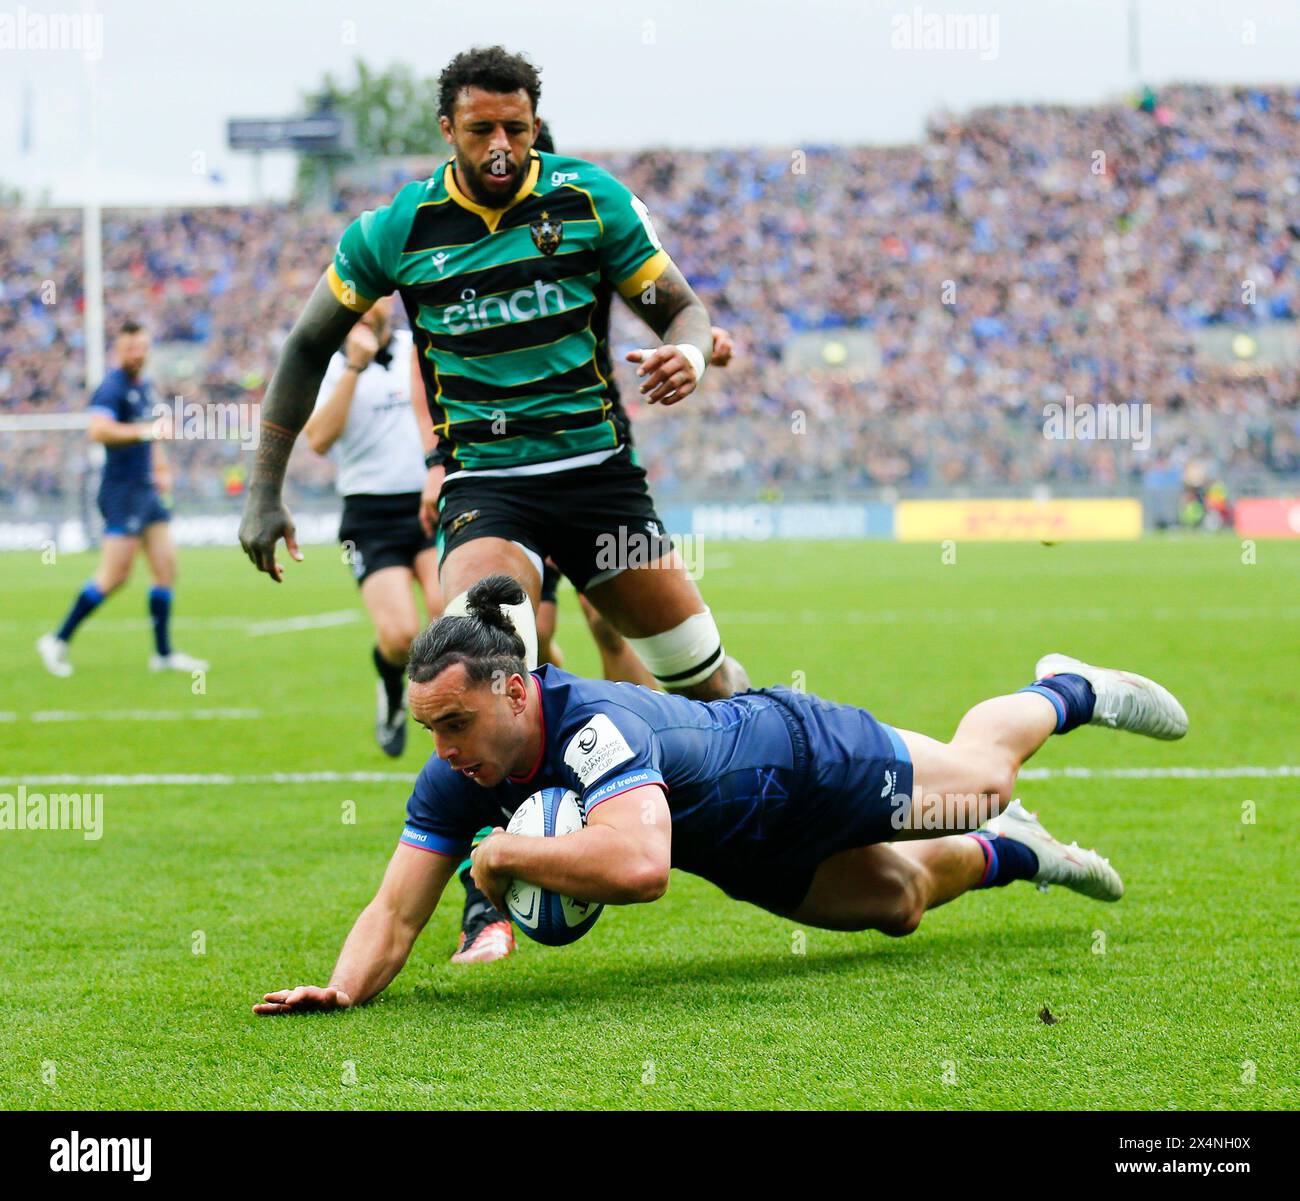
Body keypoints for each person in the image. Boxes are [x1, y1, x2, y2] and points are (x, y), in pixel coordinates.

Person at [252, 576, 1188, 1015]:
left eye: (453, 722)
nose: (443, 748)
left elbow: (641, 865)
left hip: (802, 758)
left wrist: (500, 856)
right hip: (744, 849)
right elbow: (394, 909)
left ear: (512, 690)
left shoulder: (591, 725)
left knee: (981, 781)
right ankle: (1030, 855)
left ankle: (1066, 687)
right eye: (430, 730)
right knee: (898, 903)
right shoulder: (460, 771)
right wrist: (341, 989)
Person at [238, 44, 748, 704]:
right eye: (481, 130)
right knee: (485, 676)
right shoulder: (394, 230)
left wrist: (691, 354)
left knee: (704, 682)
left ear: (536, 125)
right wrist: (263, 490)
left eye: (516, 127)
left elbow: (680, 310)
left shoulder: (590, 200)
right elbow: (307, 346)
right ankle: (536, 804)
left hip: (598, 478)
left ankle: (768, 758)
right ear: (448, 131)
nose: (501, 146)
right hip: (487, 489)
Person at [303, 295, 441, 757]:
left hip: (429, 503)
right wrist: (352, 369)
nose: (365, 308)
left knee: (451, 616)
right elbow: (319, 440)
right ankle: (390, 691)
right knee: (401, 636)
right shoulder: (328, 362)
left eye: (375, 297)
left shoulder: (418, 348)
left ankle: (456, 726)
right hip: (369, 516)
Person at [37, 321, 208, 678]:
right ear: (119, 351)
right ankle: (57, 639)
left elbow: (153, 435)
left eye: (143, 347)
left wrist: (161, 468)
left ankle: (162, 654)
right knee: (115, 575)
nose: (138, 354)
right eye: (131, 348)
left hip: (146, 489)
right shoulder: (111, 388)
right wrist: (145, 431)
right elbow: (98, 430)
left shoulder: (144, 386)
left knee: (165, 569)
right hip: (121, 491)